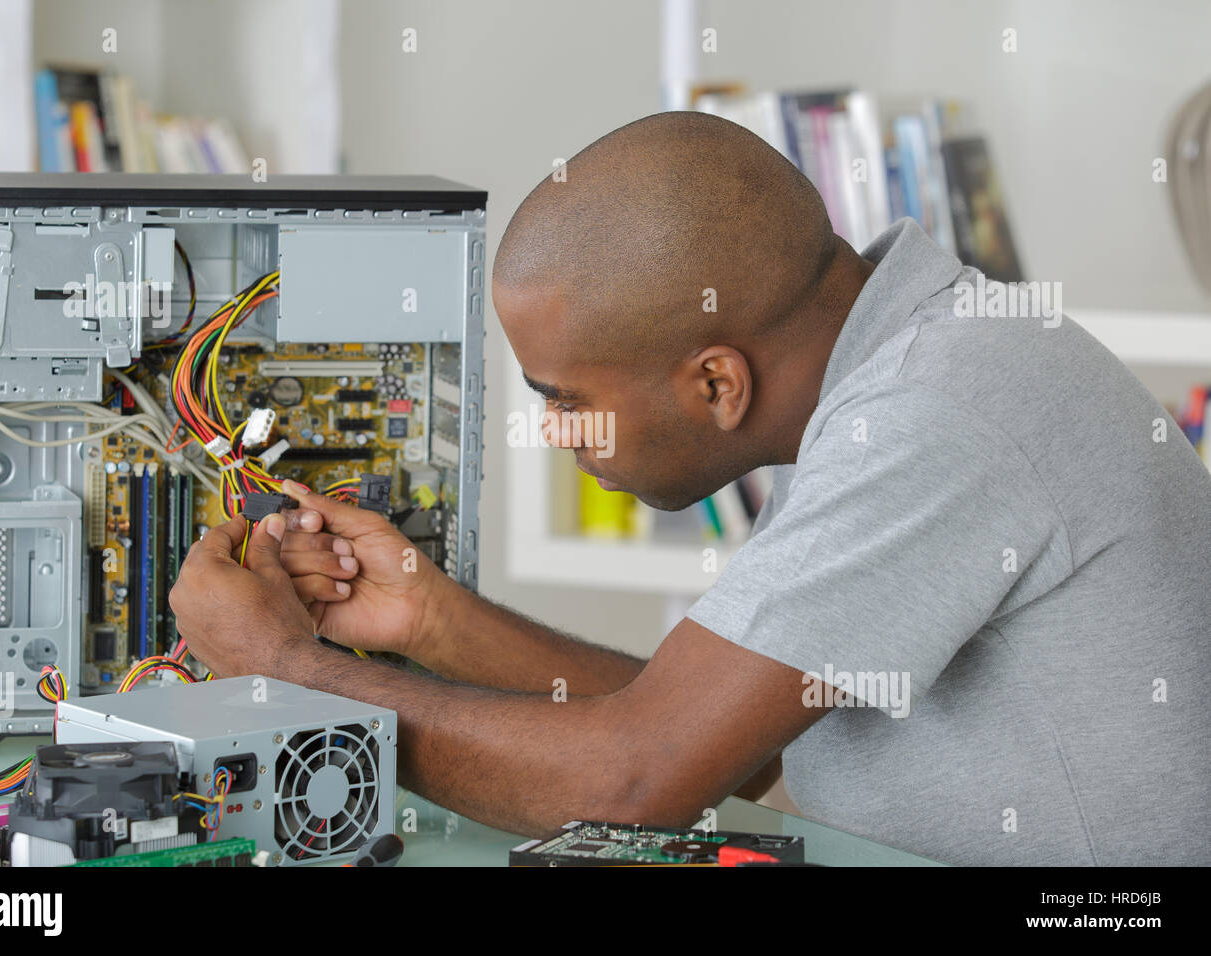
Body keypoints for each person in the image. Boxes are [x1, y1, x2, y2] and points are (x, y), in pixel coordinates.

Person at [169, 111, 1211, 865]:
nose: (553, 430)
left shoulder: (936, 412)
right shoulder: (906, 360)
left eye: (567, 396)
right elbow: (721, 738)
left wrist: (277, 664)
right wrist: (434, 622)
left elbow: (633, 779)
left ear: (717, 380)